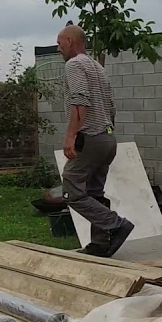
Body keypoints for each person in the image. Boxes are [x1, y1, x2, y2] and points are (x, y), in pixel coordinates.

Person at [57, 23, 135, 256]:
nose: (58, 48)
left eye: (59, 43)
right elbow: (111, 108)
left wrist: (71, 136)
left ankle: (116, 224)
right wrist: (106, 133)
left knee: (72, 191)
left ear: (70, 41)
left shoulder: (74, 65)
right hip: (107, 138)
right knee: (94, 192)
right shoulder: (98, 68)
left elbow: (80, 100)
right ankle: (100, 244)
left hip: (90, 137)